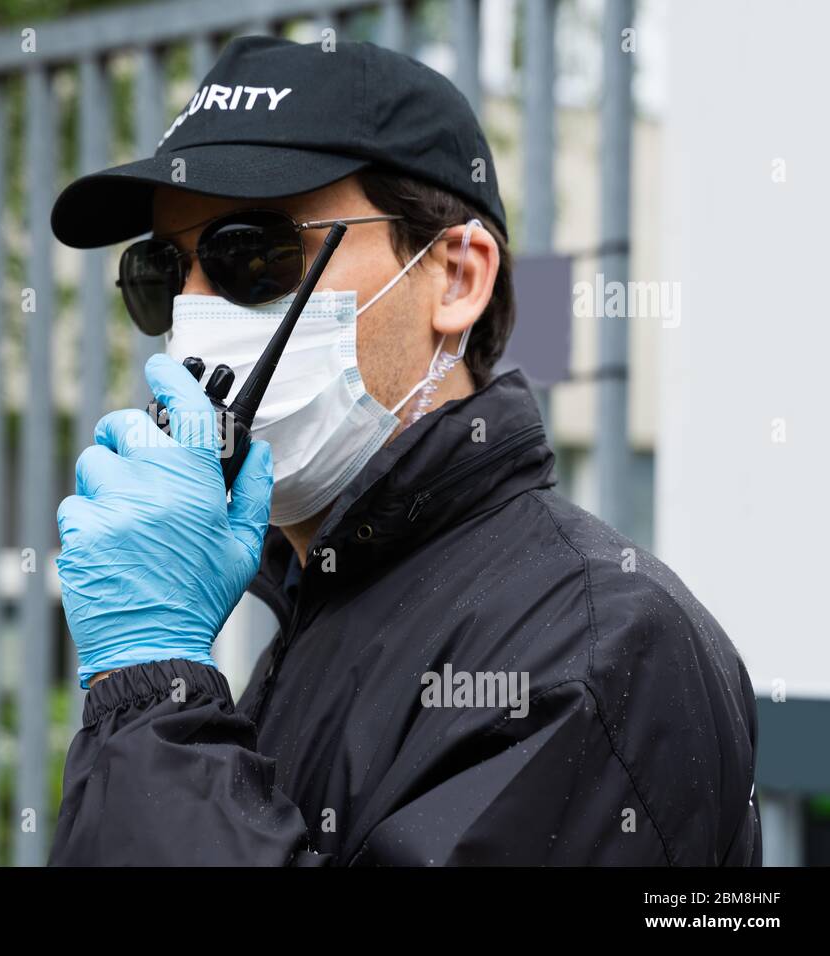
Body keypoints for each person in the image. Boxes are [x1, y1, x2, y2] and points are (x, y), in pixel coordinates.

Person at [46, 36, 761, 865]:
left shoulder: (598, 650)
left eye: (254, 251)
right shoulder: (323, 613)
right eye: (163, 272)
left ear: (455, 275)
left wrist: (152, 689)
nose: (193, 312)